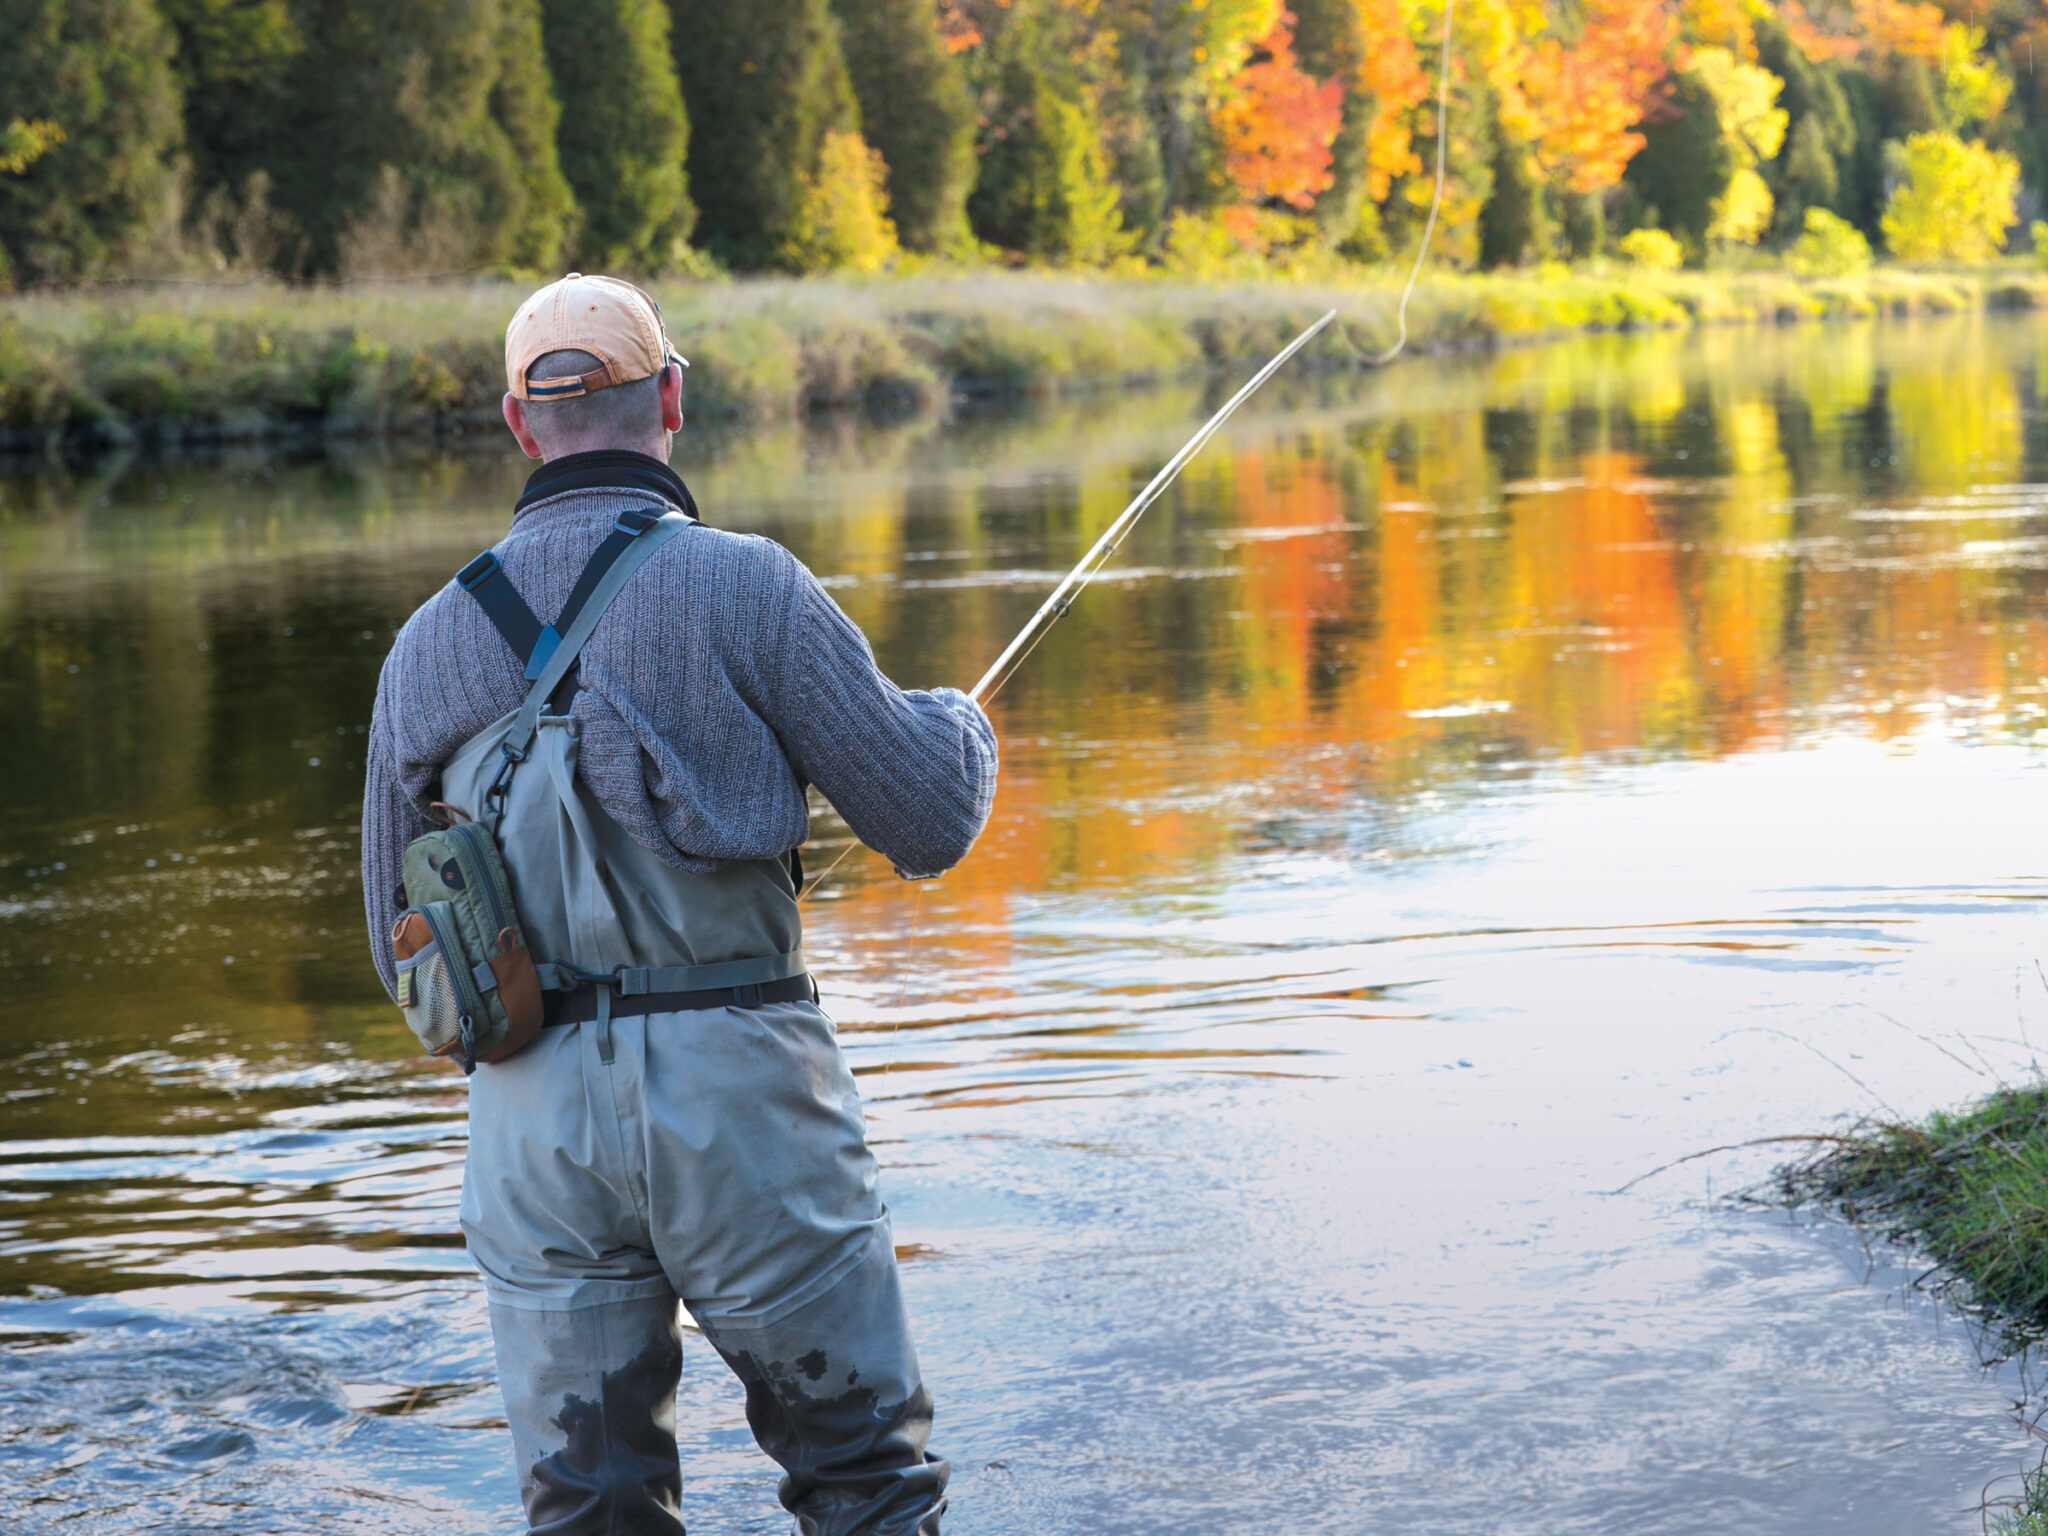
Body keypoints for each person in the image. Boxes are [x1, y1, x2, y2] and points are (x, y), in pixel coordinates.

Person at [360, 273, 995, 1535]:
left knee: (592, 1514)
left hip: (531, 1130)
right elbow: (927, 820)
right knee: (863, 1483)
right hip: (741, 1108)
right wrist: (961, 727)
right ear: (670, 396)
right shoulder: (745, 585)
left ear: (517, 423)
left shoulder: (424, 644)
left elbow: (399, 945)